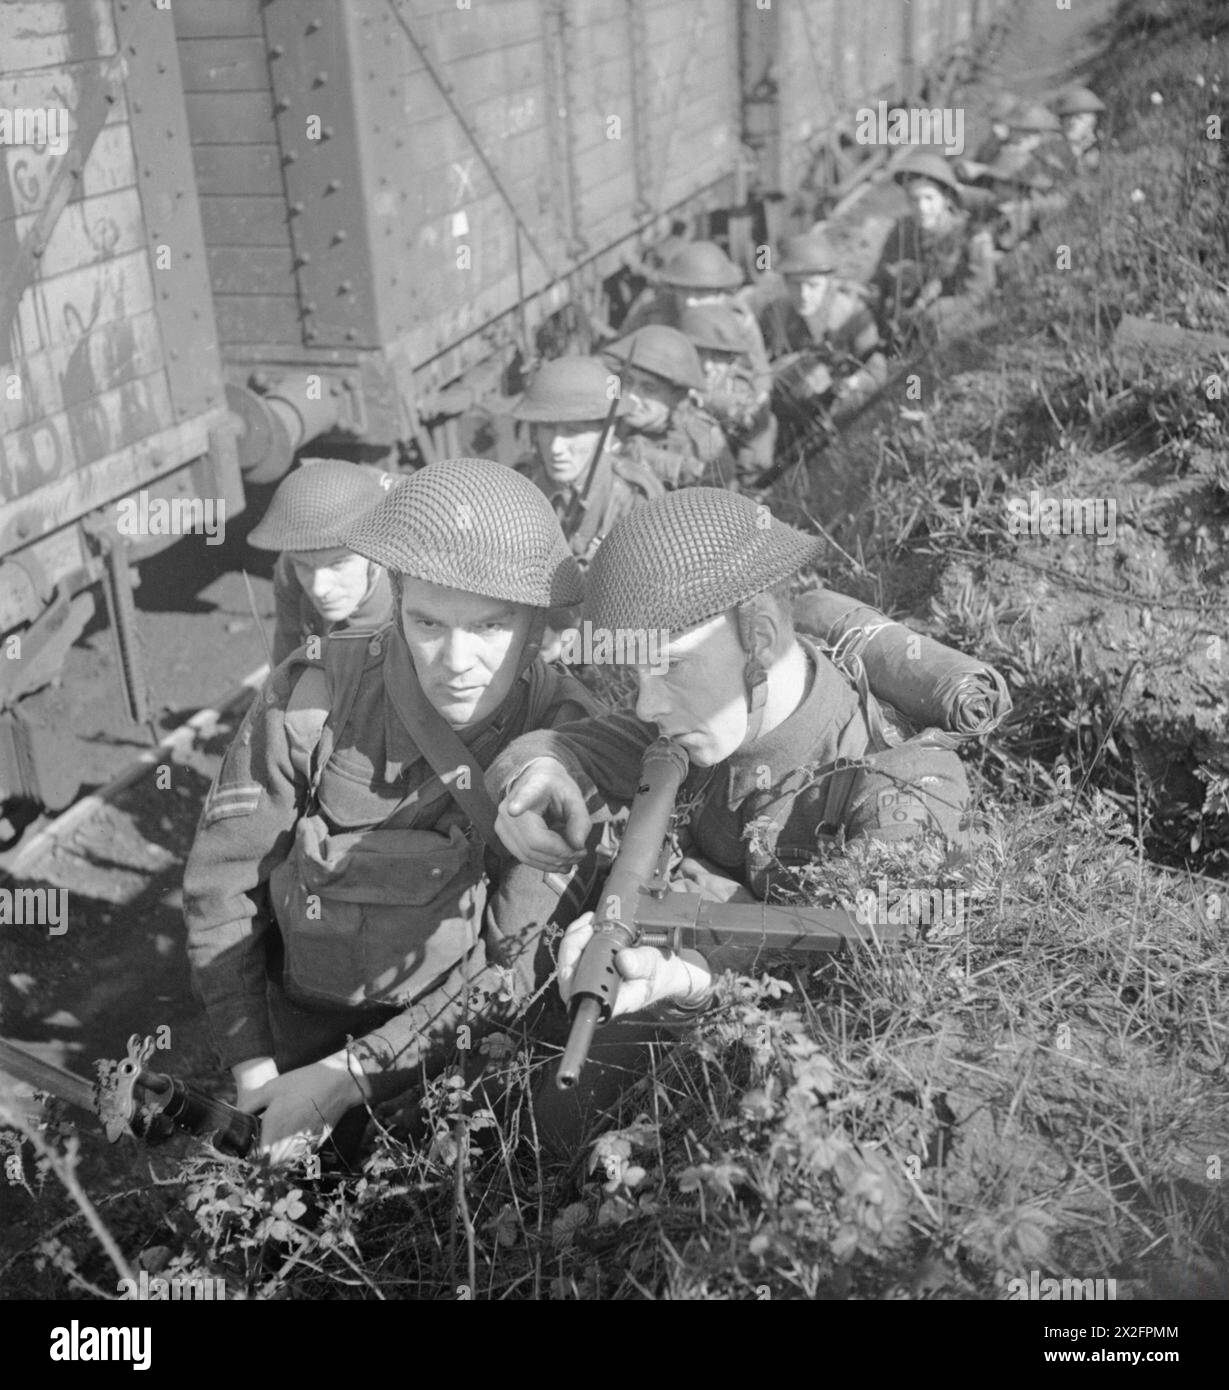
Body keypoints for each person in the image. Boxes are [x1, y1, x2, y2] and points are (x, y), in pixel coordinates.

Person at [183, 458, 602, 1164]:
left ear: (536, 629)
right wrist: (254, 1067)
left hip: (453, 1042)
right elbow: (222, 887)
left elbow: (513, 959)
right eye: (427, 621)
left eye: (491, 627)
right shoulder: (311, 696)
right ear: (395, 597)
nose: (454, 660)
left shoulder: (566, 743)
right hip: (307, 1016)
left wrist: (350, 1079)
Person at [486, 488, 975, 1030]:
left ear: (759, 639)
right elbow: (567, 746)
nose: (648, 704)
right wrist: (534, 771)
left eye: (671, 665)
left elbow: (881, 958)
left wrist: (696, 977)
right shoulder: (704, 718)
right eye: (637, 673)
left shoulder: (896, 785)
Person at [511, 355, 664, 569]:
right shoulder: (521, 482)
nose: (556, 448)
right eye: (546, 428)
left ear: (608, 432)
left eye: (573, 431)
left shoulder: (636, 499)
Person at [247, 459, 396, 665]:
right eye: (304, 566)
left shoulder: (418, 582)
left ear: (375, 553)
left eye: (337, 564)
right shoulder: (289, 568)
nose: (318, 588)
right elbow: (292, 654)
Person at [759, 229, 888, 451]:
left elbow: (877, 370)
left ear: (828, 283)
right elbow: (757, 364)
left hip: (838, 404)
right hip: (789, 405)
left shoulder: (851, 313)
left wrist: (851, 383)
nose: (803, 295)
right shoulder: (775, 313)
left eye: (813, 286)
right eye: (795, 285)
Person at [874, 151, 998, 345]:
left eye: (929, 198)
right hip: (907, 318)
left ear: (946, 198)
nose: (922, 207)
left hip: (949, 318)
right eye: (914, 200)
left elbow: (980, 292)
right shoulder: (902, 231)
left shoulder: (970, 235)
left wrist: (932, 310)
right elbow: (880, 278)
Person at [601, 323, 735, 488]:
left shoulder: (701, 442)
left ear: (677, 396)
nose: (632, 395)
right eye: (627, 382)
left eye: (648, 389)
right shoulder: (609, 412)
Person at [678, 302, 778, 485]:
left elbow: (755, 453)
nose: (708, 367)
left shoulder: (738, 389)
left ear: (732, 361)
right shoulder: (667, 382)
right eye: (700, 354)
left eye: (717, 357)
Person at [1053, 85, 1106, 172]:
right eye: (1068, 117)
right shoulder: (1053, 151)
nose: (1072, 123)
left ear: (1092, 123)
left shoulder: (1100, 153)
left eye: (1079, 118)